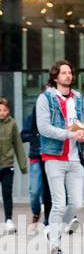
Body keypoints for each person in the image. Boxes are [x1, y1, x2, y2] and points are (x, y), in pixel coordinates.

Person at [36, 61, 84, 254]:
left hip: (75, 158)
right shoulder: (46, 98)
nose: (68, 75)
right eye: (64, 72)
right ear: (55, 76)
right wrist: (70, 134)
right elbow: (43, 128)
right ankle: (55, 249)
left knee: (76, 202)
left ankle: (52, 230)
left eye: (70, 72)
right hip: (54, 157)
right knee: (58, 203)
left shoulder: (77, 97)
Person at [0, 98, 27, 233]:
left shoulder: (12, 124)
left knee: (7, 193)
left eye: (4, 110)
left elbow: (18, 145)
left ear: (8, 111)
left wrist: (23, 165)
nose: (2, 113)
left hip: (7, 165)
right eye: (0, 110)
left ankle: (9, 220)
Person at [20, 103, 49, 234]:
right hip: (36, 158)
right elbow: (23, 135)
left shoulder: (52, 118)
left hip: (50, 158)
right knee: (34, 192)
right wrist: (37, 137)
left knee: (48, 191)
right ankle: (36, 214)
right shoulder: (31, 118)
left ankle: (48, 221)